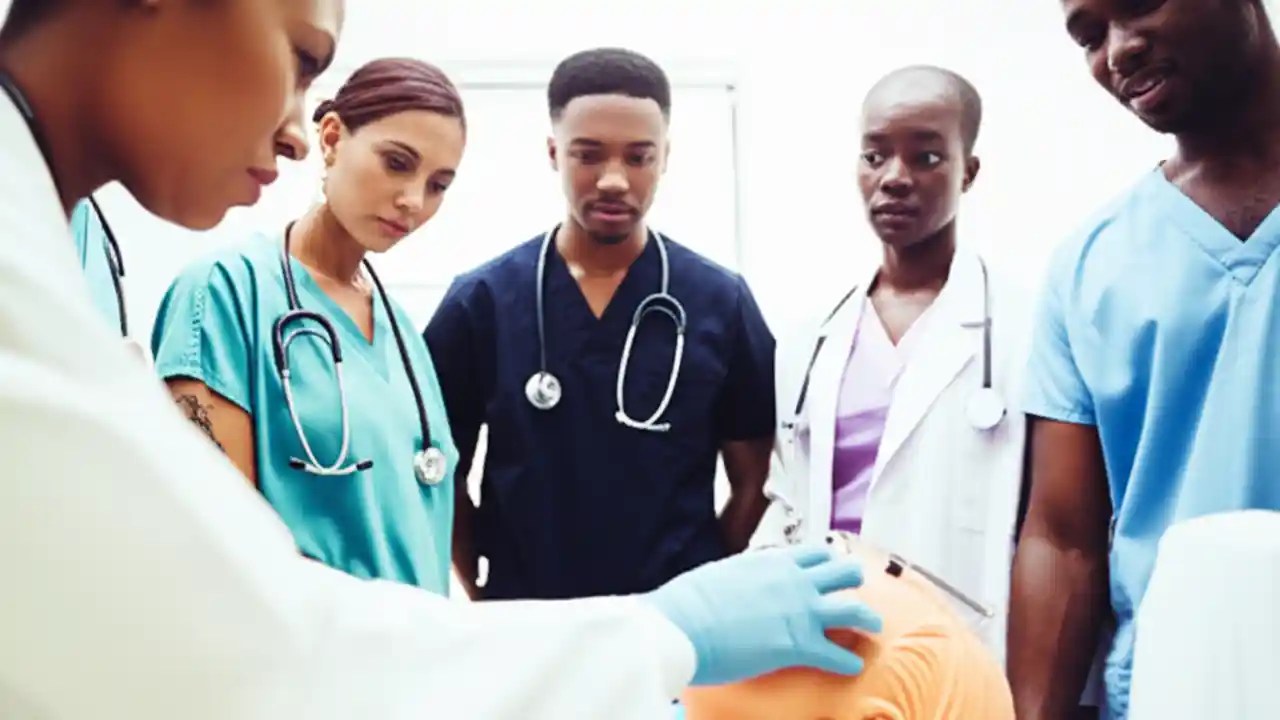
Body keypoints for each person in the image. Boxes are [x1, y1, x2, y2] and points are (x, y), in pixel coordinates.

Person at [0, 2, 882, 718]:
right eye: (305, 59)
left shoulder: (399, 326)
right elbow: (223, 626)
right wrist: (654, 630)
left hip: (435, 672)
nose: (297, 133)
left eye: (442, 182)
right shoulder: (275, 293)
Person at [425, 47, 777, 602]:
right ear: (553, 153)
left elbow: (755, 481)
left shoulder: (719, 302)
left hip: (674, 631)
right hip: (528, 622)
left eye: (639, 158)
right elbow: (439, 474)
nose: (614, 180)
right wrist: (484, 593)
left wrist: (700, 586)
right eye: (588, 156)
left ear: (665, 158)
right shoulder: (483, 302)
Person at [1009, 1, 1280, 718]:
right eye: (1090, 36)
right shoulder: (1090, 266)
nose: (1118, 51)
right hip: (1174, 688)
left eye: (1135, 5)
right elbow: (1062, 540)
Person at [150, 57, 465, 594]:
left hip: (419, 661)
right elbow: (217, 536)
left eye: (438, 185)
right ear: (332, 136)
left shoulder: (404, 336)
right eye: (396, 163)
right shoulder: (226, 292)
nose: (413, 200)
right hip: (305, 660)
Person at [762, 65, 1032, 663]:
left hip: (966, 646)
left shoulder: (1023, 329)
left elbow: (1055, 535)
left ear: (970, 172)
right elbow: (788, 504)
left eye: (927, 158)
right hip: (834, 641)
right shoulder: (811, 338)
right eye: (875, 156)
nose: (894, 179)